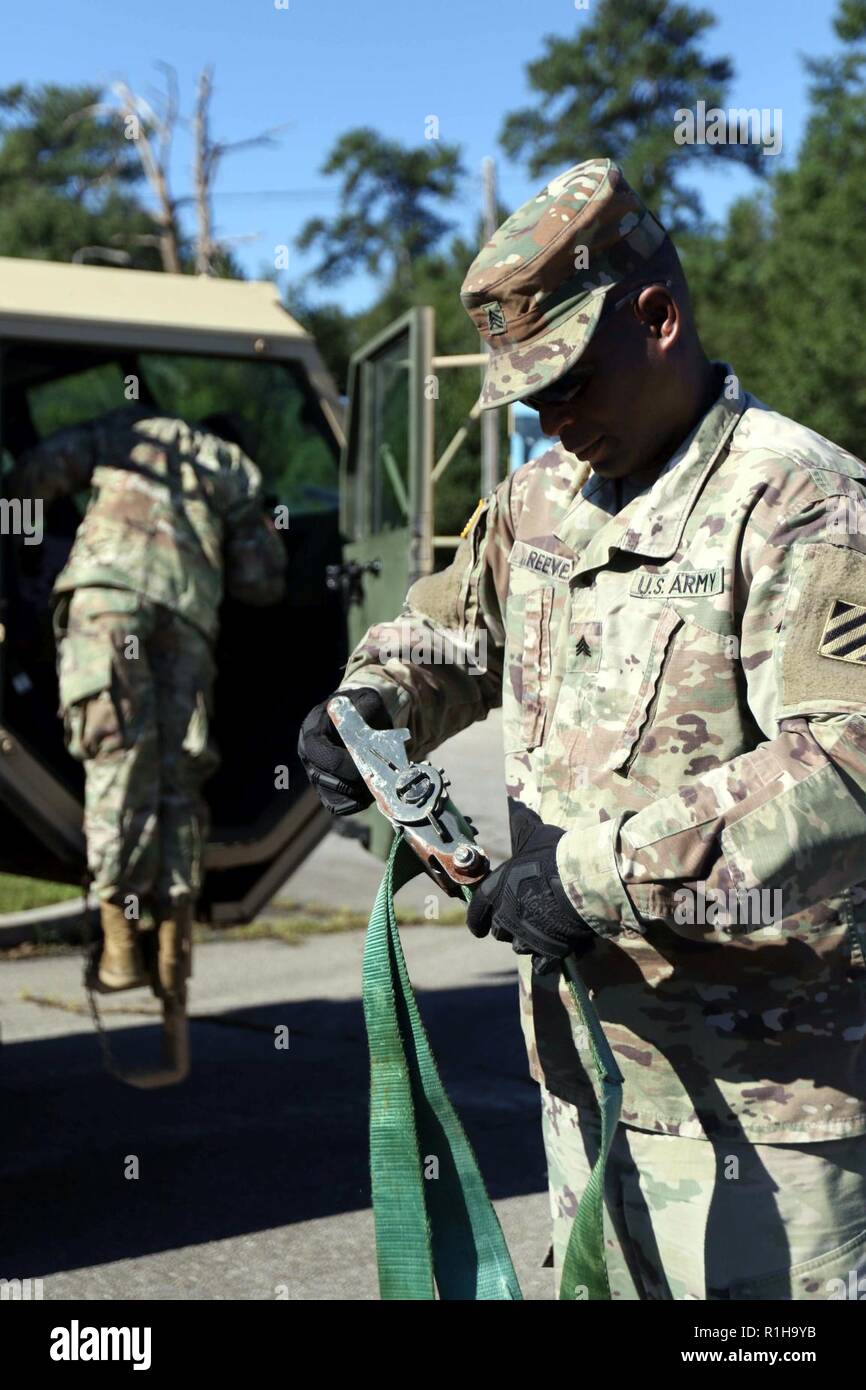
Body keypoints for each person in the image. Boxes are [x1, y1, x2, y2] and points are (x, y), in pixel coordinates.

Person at [299, 158, 866, 1300]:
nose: (548, 416)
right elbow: (455, 631)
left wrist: (593, 875)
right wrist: (372, 700)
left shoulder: (800, 500)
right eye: (527, 395)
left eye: (565, 377)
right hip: (585, 1083)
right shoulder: (542, 499)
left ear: (655, 317)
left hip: (771, 1120)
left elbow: (842, 765)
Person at [14, 405, 286, 1006]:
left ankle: (118, 950)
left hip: (108, 600)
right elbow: (263, 580)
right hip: (187, 615)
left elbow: (36, 471)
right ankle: (171, 950)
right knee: (178, 773)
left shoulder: (127, 431)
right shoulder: (232, 467)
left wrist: (24, 546)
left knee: (118, 757)